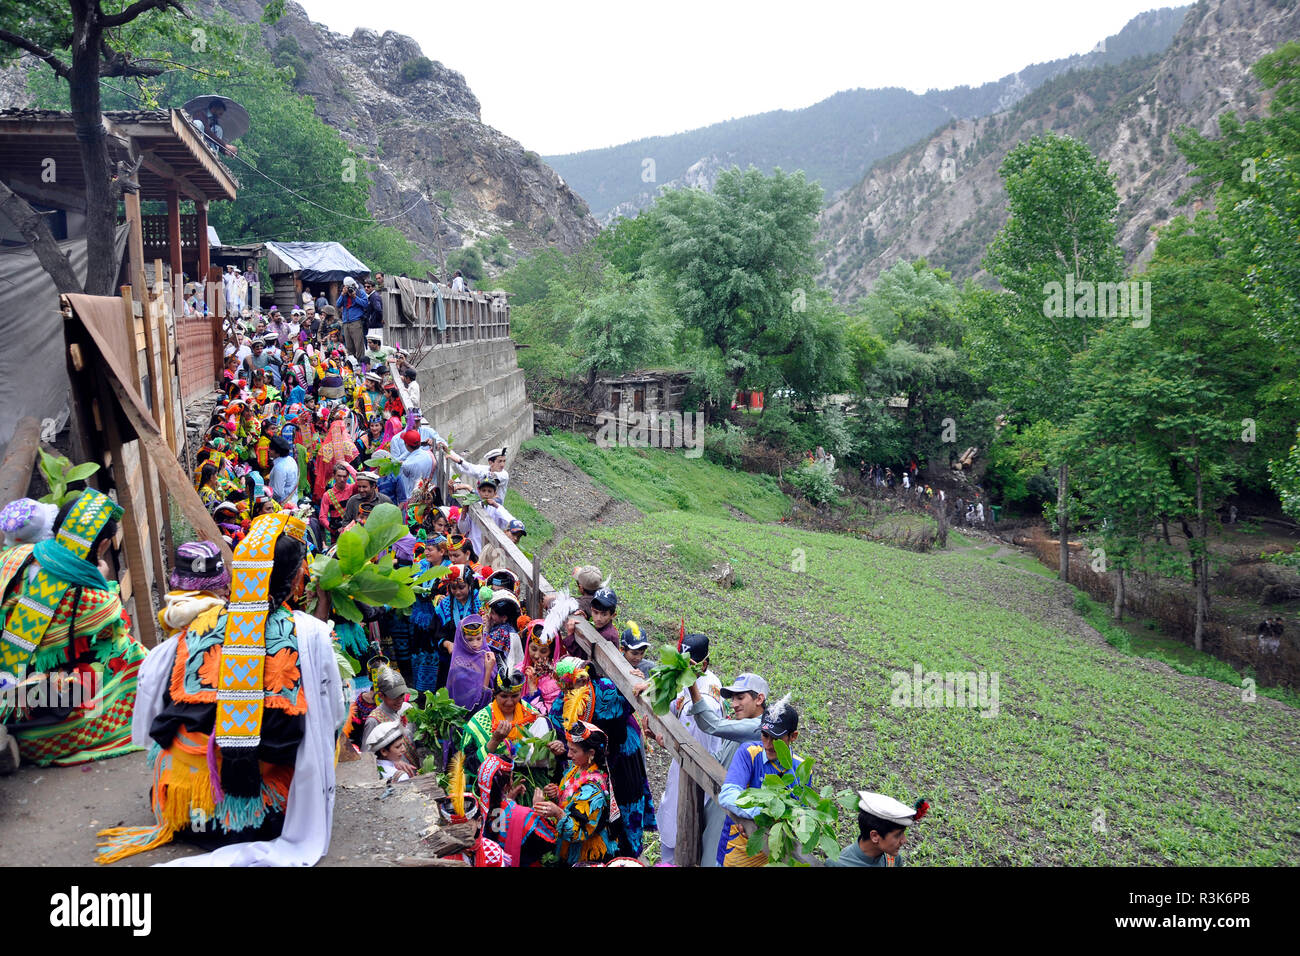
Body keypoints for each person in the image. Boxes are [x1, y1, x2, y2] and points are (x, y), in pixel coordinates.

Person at [98, 513, 347, 865]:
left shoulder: (196, 626)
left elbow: (152, 700)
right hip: (259, 823)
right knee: (332, 711)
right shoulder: (309, 635)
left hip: (186, 813)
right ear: (295, 579)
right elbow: (330, 716)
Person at [0, 491, 145, 767]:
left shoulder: (17, 558)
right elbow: (117, 628)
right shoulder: (92, 600)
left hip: (6, 693)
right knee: (130, 654)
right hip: (42, 723)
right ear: (103, 545)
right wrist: (102, 580)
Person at [547, 657, 656, 858]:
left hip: (620, 758)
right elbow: (562, 739)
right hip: (583, 762)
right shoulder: (560, 706)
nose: (581, 685)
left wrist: (639, 683)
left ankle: (628, 855)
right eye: (572, 683)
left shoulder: (605, 688)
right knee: (588, 810)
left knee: (624, 807)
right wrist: (561, 748)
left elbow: (630, 700)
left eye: (582, 679)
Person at [688, 672, 767, 867]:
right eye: (732, 699)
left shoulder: (759, 728)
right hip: (720, 805)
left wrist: (692, 687)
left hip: (733, 812)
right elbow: (719, 759)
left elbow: (712, 725)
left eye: (740, 698)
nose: (734, 704)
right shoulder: (742, 726)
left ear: (759, 699)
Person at [716, 696, 805, 867]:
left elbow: (800, 815)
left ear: (793, 736)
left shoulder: (801, 769)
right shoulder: (749, 752)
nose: (768, 745)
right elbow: (727, 795)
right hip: (735, 853)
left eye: (776, 739)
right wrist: (765, 815)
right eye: (765, 736)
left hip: (772, 858)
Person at [656, 632, 722, 865]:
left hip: (694, 775)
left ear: (704, 664)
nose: (682, 669)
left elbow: (699, 749)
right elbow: (674, 705)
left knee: (683, 831)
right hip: (680, 766)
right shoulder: (691, 680)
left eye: (689, 665)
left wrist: (668, 741)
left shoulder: (706, 700)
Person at [533, 720, 618, 866]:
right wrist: (556, 795)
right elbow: (570, 796)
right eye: (569, 748)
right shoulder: (578, 766)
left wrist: (557, 813)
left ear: (591, 753)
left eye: (574, 751)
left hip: (582, 852)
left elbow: (576, 832)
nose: (568, 754)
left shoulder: (592, 790)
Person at [459, 666, 549, 774]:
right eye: (504, 696)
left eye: (514, 696)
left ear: (521, 693)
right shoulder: (479, 722)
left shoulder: (532, 716)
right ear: (494, 694)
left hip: (528, 778)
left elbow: (544, 757)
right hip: (493, 781)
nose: (509, 702)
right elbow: (469, 766)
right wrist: (495, 741)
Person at [476, 752, 557, 866]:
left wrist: (509, 799)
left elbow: (498, 822)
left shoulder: (475, 809)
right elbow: (551, 838)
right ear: (507, 786)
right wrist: (538, 810)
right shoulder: (522, 815)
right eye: (511, 777)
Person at [828, 792, 930, 867]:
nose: (904, 840)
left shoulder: (892, 859)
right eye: (898, 835)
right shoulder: (837, 864)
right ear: (875, 836)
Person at [157, 541, 230, 642]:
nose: (227, 592)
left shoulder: (176, 605)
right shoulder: (216, 615)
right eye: (223, 586)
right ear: (204, 589)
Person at [443, 444, 509, 500]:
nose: (502, 465)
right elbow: (468, 467)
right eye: (500, 461)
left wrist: (468, 487)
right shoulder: (484, 469)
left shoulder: (504, 475)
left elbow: (490, 477)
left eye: (504, 461)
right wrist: (449, 452)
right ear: (490, 462)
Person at [337, 276, 370, 358]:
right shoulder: (344, 294)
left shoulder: (360, 292)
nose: (349, 289)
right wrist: (342, 294)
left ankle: (361, 363)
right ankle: (352, 363)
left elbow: (365, 304)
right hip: (346, 322)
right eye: (347, 287)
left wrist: (355, 297)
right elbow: (338, 305)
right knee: (349, 347)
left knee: (359, 346)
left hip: (356, 321)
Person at [398, 430, 434, 503]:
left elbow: (406, 474)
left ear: (406, 445)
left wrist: (403, 464)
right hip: (426, 494)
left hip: (412, 498)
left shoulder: (407, 464)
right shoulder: (428, 455)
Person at [267, 435, 299, 509]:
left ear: (277, 452)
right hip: (293, 501)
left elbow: (278, 493)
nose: (268, 450)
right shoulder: (291, 460)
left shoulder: (279, 468)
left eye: (271, 449)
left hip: (283, 506)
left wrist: (265, 492)